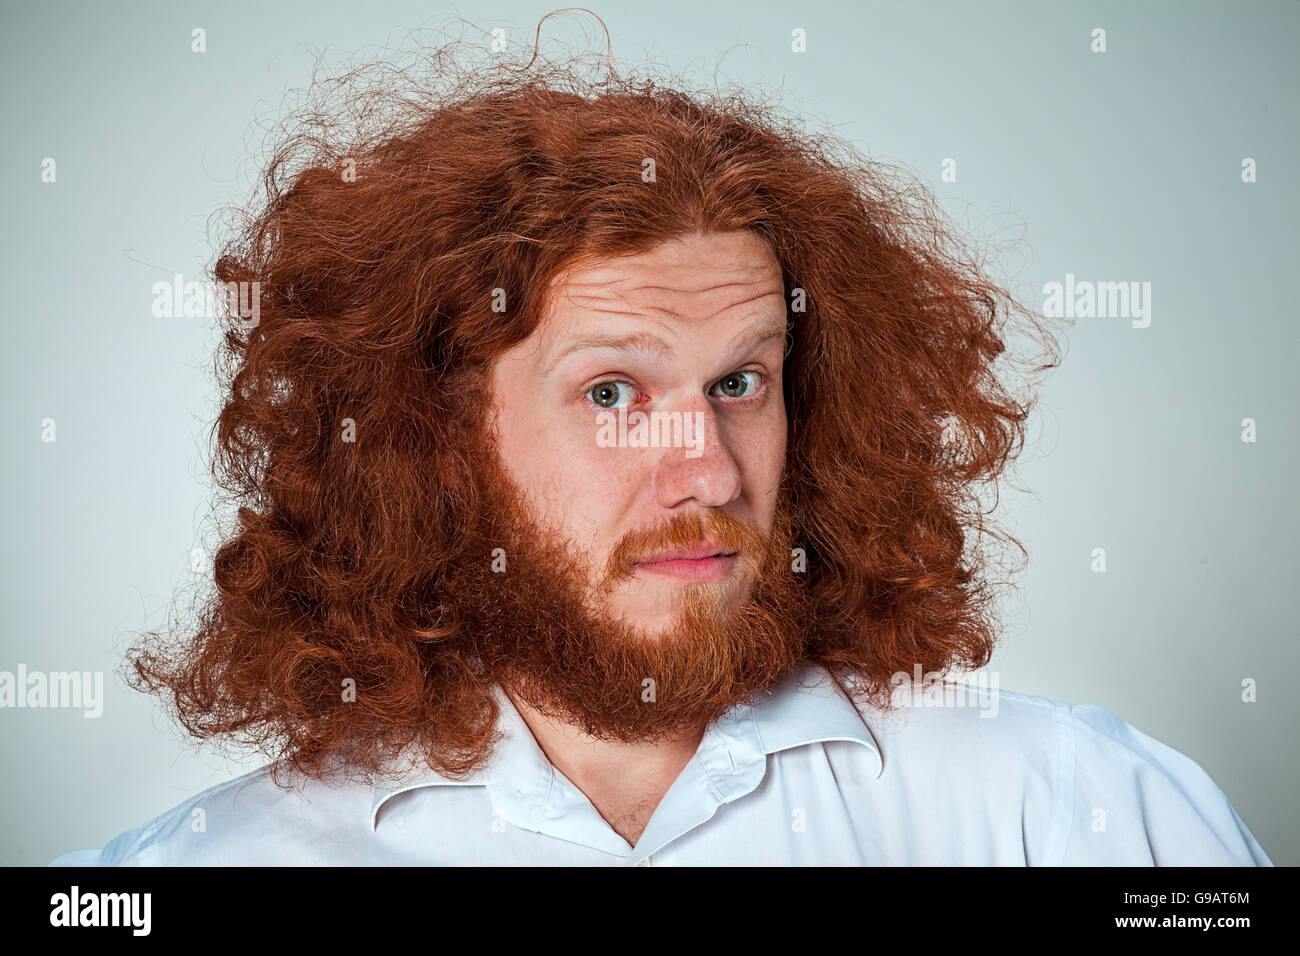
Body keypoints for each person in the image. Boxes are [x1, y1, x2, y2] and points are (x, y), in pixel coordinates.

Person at [50, 43, 1270, 867]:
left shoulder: (1066, 813)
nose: (711, 474)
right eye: (613, 391)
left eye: (740, 381)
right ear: (435, 440)